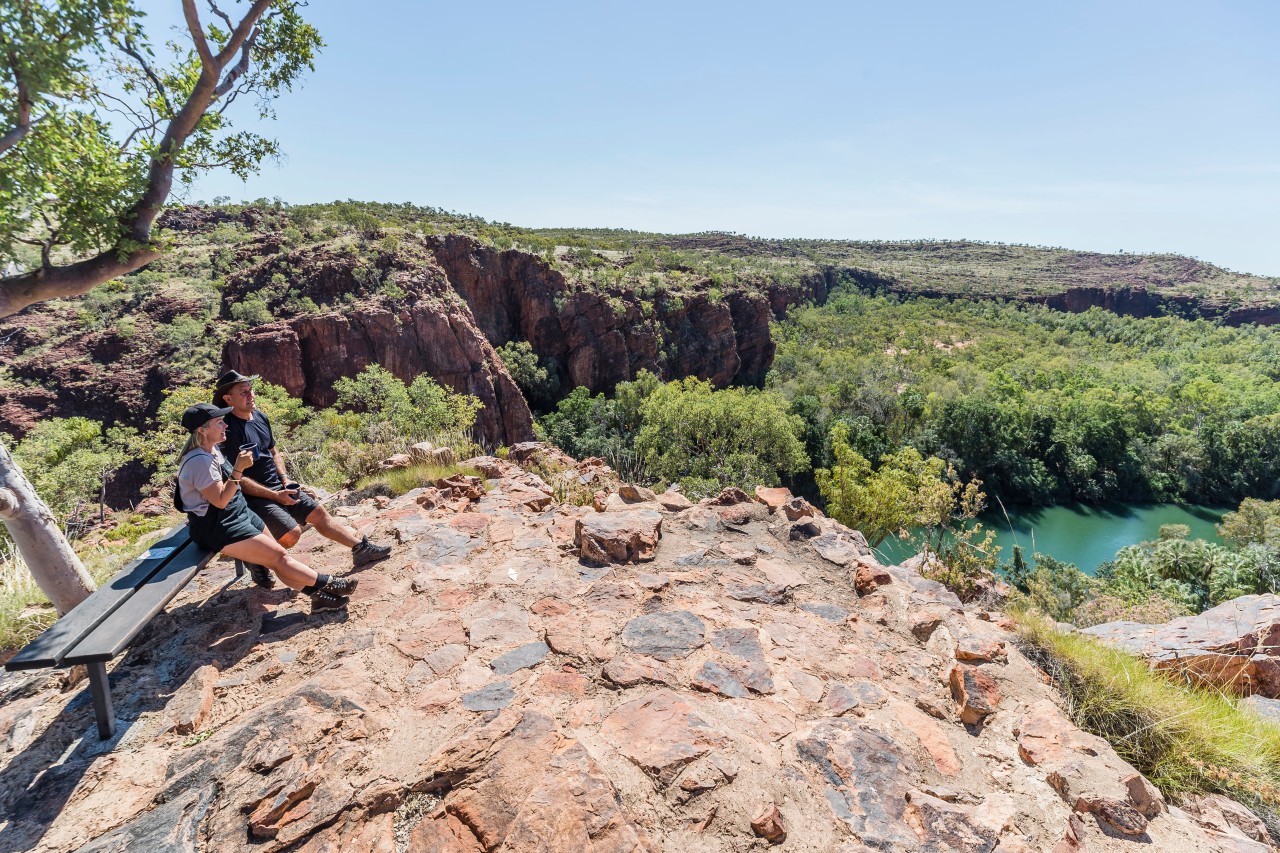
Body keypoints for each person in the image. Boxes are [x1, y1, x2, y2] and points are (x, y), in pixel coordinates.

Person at [212, 369, 391, 588]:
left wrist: (285, 480)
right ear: (228, 399)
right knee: (291, 534)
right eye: (244, 392)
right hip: (254, 497)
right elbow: (236, 478)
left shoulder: (259, 417)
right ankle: (256, 560)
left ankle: (360, 549)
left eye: (251, 390)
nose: (251, 395)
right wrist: (276, 496)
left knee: (318, 514)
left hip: (279, 486)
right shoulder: (227, 430)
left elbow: (274, 452)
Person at [175, 403, 356, 611]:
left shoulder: (211, 449)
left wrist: (238, 470)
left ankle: (318, 598)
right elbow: (220, 501)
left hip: (238, 514)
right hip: (218, 527)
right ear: (202, 430)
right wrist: (238, 469)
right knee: (280, 558)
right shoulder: (199, 461)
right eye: (219, 422)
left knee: (277, 558)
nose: (225, 425)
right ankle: (331, 583)